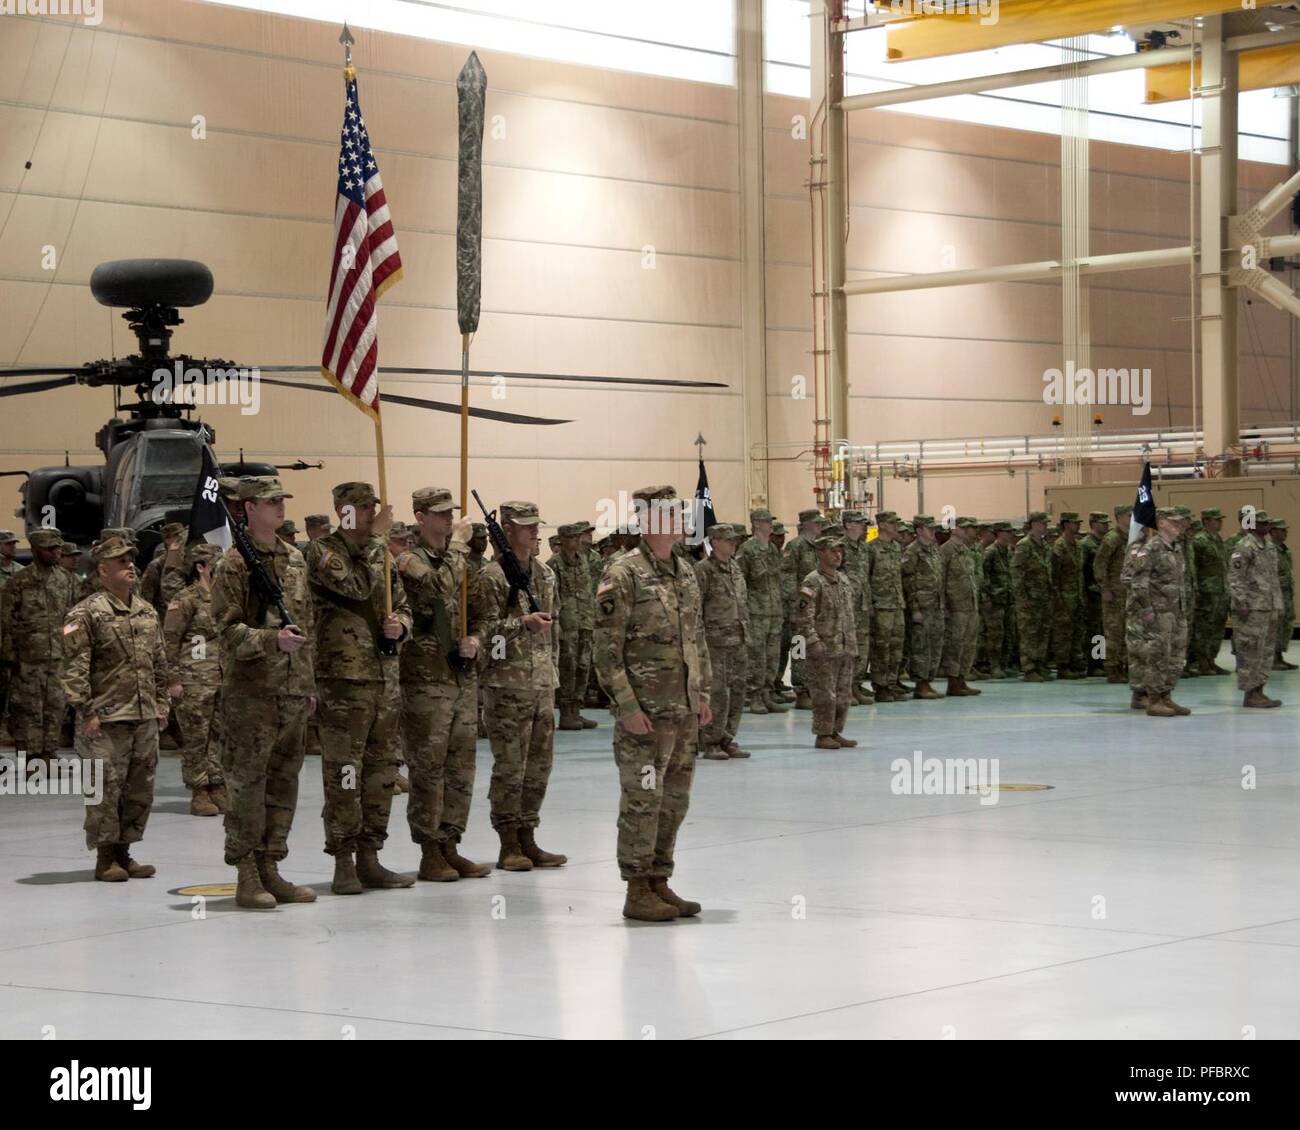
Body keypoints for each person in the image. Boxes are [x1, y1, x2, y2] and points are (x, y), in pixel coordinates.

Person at [594, 485, 711, 922]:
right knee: (643, 799)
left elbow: (696, 638)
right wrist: (627, 706)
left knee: (674, 800)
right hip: (645, 714)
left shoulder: (685, 571)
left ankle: (660, 879)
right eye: (672, 512)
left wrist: (702, 694)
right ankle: (637, 888)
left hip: (682, 712)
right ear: (649, 520)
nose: (681, 519)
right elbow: (606, 650)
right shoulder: (622, 574)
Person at [211, 476, 318, 910]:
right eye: (271, 501)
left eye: (281, 500)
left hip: (292, 691)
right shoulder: (233, 564)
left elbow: (306, 624)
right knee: (247, 785)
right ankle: (247, 873)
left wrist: (308, 682)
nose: (280, 507)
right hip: (251, 695)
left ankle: (271, 864)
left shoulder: (295, 558)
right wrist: (272, 641)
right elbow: (226, 632)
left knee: (284, 783)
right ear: (249, 508)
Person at [304, 482, 413, 894]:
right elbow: (355, 587)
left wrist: (402, 626)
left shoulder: (381, 554)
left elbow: (400, 602)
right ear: (342, 511)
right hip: (343, 680)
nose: (370, 513)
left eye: (372, 507)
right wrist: (378, 540)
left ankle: (371, 855)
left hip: (384, 677)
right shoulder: (323, 551)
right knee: (345, 772)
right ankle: (343, 858)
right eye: (362, 507)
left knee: (381, 772)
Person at [395, 486, 492, 882]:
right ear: (420, 517)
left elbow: (481, 611)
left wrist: (477, 640)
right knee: (428, 768)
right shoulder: (408, 560)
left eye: (450, 512)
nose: (449, 518)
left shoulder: (460, 560)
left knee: (461, 768)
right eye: (439, 513)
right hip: (426, 679)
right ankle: (429, 849)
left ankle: (451, 842)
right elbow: (438, 588)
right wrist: (459, 548)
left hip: (461, 676)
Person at [61, 535, 170, 882]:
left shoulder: (147, 611)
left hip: (143, 715)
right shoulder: (84, 614)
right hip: (105, 719)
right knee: (104, 789)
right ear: (103, 570)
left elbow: (159, 663)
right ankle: (105, 857)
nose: (130, 566)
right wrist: (86, 710)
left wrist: (162, 704)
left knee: (139, 789)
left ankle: (125, 852)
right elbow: (74, 668)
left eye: (131, 560)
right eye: (121, 561)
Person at [476, 500, 566, 871]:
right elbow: (484, 632)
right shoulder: (491, 577)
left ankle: (529, 835)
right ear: (507, 529)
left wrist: (552, 673)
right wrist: (520, 625)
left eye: (535, 525)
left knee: (539, 767)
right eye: (526, 525)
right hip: (506, 685)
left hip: (541, 684)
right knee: (510, 768)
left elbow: (553, 630)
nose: (534, 531)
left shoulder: (545, 574)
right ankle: (508, 842)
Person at [163, 543, 227, 817]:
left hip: (221, 678)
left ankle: (217, 784)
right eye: (216, 565)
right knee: (196, 739)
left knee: (219, 736)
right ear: (201, 567)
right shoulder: (186, 599)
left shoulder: (226, 599)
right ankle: (199, 790)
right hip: (193, 680)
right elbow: (169, 641)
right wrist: (172, 679)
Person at [1, 528, 76, 762]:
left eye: (57, 548)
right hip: (27, 659)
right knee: (29, 709)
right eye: (50, 549)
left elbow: (73, 617)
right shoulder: (19, 581)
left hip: (58, 657)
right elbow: (5, 620)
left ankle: (49, 753)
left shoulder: (65, 579)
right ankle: (31, 758)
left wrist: (71, 644)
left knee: (56, 706)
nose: (56, 553)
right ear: (36, 550)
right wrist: (9, 657)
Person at [795, 534, 858, 749]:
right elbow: (803, 616)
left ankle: (834, 731)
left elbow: (849, 613)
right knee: (824, 694)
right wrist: (813, 642)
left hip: (845, 645)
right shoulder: (812, 581)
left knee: (843, 694)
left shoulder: (843, 579)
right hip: (824, 647)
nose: (838, 555)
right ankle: (823, 734)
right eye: (833, 551)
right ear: (821, 553)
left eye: (840, 551)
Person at [1126, 507, 1190, 717]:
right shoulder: (1151, 548)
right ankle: (1153, 699)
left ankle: (1166, 696)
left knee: (1175, 656)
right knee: (1158, 655)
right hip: (1158, 611)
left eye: (1180, 522)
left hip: (1176, 611)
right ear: (1161, 523)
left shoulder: (1176, 547)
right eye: (1174, 522)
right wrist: (1146, 608)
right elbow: (1138, 582)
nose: (1179, 526)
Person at [694, 523, 749, 760]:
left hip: (738, 639)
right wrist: (698, 643)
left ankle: (727, 737)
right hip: (714, 642)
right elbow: (695, 608)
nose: (734, 544)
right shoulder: (703, 570)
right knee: (716, 693)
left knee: (737, 691)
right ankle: (710, 740)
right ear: (715, 542)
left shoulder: (735, 567)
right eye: (729, 540)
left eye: (735, 541)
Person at [1229, 511, 1283, 708]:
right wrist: (1241, 602)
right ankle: (1250, 693)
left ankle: (1259, 690)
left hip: (1268, 606)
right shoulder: (1244, 546)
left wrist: (1277, 604)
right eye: (1262, 523)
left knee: (1265, 651)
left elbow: (1272, 578)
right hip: (1251, 608)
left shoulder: (1269, 547)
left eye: (1267, 523)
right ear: (1251, 525)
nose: (1266, 526)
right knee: (1250, 650)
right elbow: (1235, 577)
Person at [737, 508, 784, 714]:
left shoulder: (773, 549)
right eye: (766, 521)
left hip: (774, 611)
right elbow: (740, 581)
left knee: (773, 656)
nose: (770, 525)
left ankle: (767, 693)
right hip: (756, 611)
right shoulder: (747, 549)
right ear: (756, 523)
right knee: (757, 656)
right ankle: (754, 696)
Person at [552, 521, 597, 731]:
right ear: (562, 540)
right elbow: (553, 598)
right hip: (566, 624)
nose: (578, 541)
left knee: (583, 666)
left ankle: (577, 710)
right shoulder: (554, 564)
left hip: (585, 622)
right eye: (573, 538)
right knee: (567, 668)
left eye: (579, 537)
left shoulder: (583, 561)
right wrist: (557, 626)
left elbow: (588, 592)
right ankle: (565, 713)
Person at [783, 510, 824, 710]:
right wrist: (795, 603)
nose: (819, 526)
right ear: (805, 524)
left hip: (818, 608)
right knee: (799, 647)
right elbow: (788, 576)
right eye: (816, 523)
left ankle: (814, 688)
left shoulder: (819, 546)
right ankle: (801, 690)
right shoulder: (796, 546)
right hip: (801, 607)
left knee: (815, 647)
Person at [901, 515, 944, 699]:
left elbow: (938, 578)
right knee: (921, 646)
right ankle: (921, 684)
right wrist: (915, 608)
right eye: (929, 528)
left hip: (936, 605)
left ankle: (928, 680)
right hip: (921, 606)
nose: (933, 531)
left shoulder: (933, 549)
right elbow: (907, 582)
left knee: (935, 644)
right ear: (919, 530)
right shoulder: (912, 551)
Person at [939, 517, 981, 696]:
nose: (969, 531)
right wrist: (943, 605)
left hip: (970, 604)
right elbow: (940, 579)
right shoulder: (946, 550)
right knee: (955, 644)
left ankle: (962, 677)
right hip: (955, 605)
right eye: (965, 528)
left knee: (969, 644)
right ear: (955, 529)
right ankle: (953, 681)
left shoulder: (966, 550)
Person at [867, 511, 907, 702]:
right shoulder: (871, 549)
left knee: (896, 647)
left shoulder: (896, 548)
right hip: (881, 605)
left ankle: (892, 683)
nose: (896, 527)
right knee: (881, 647)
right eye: (892, 523)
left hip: (897, 603)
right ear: (882, 525)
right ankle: (880, 685)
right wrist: (870, 604)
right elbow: (866, 578)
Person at [1093, 504, 1132, 684]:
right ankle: (1112, 667)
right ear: (1119, 517)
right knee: (1113, 631)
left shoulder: (1130, 537)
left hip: (1128, 592)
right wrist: (1105, 588)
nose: (1132, 518)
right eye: (1129, 515)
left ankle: (1123, 665)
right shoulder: (1112, 538)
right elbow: (1100, 564)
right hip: (1114, 593)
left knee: (1126, 631)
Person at [1011, 511, 1053, 682]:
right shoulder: (1024, 546)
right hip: (1029, 598)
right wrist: (1022, 598)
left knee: (1042, 632)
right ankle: (1029, 669)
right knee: (1029, 634)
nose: (1046, 526)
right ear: (1034, 524)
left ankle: (1040, 665)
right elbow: (1017, 574)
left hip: (1043, 597)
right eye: (1043, 523)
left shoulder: (1044, 545)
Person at [1191, 507, 1230, 675]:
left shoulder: (1218, 540)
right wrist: (1196, 589)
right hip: (1206, 591)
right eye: (1217, 519)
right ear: (1206, 521)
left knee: (1217, 628)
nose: (1220, 522)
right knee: (1203, 628)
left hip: (1220, 591)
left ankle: (1211, 660)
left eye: (1220, 519)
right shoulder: (1199, 541)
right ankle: (1200, 662)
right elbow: (1192, 566)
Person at [840, 511, 874, 704]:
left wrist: (868, 603)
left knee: (862, 647)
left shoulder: (863, 548)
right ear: (848, 525)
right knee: (847, 648)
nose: (863, 526)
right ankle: (844, 689)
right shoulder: (839, 547)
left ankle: (855, 686)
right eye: (859, 523)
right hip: (847, 606)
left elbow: (865, 578)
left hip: (862, 605)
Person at [1050, 512, 1086, 678]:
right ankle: (1063, 666)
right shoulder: (1059, 546)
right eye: (1074, 522)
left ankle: (1075, 663)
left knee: (1077, 631)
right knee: (1063, 632)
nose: (1077, 525)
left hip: (1077, 595)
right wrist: (1057, 597)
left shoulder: (1077, 545)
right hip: (1064, 597)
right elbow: (1054, 575)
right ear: (1065, 524)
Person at [979, 522, 1015, 678]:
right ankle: (993, 665)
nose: (1009, 535)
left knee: (1008, 634)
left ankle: (1004, 664)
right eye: (1006, 532)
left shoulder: (1008, 551)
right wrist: (986, 598)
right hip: (994, 600)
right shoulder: (990, 552)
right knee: (995, 635)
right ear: (998, 533)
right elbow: (983, 576)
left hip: (1007, 598)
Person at [1080, 511, 1109, 675]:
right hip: (1091, 593)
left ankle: (1101, 660)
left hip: (1103, 592)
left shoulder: (1105, 543)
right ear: (1093, 524)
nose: (1106, 526)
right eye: (1102, 523)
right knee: (1094, 630)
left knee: (1102, 629)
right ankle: (1093, 663)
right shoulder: (1086, 545)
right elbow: (1081, 570)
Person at [1269, 518, 1296, 671]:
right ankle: (1272, 659)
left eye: (1285, 530)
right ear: (1272, 532)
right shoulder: (1270, 550)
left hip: (1286, 594)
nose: (1285, 532)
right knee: (1275, 627)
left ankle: (1279, 657)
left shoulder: (1285, 551)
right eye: (1281, 530)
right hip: (1275, 595)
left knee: (1285, 626)